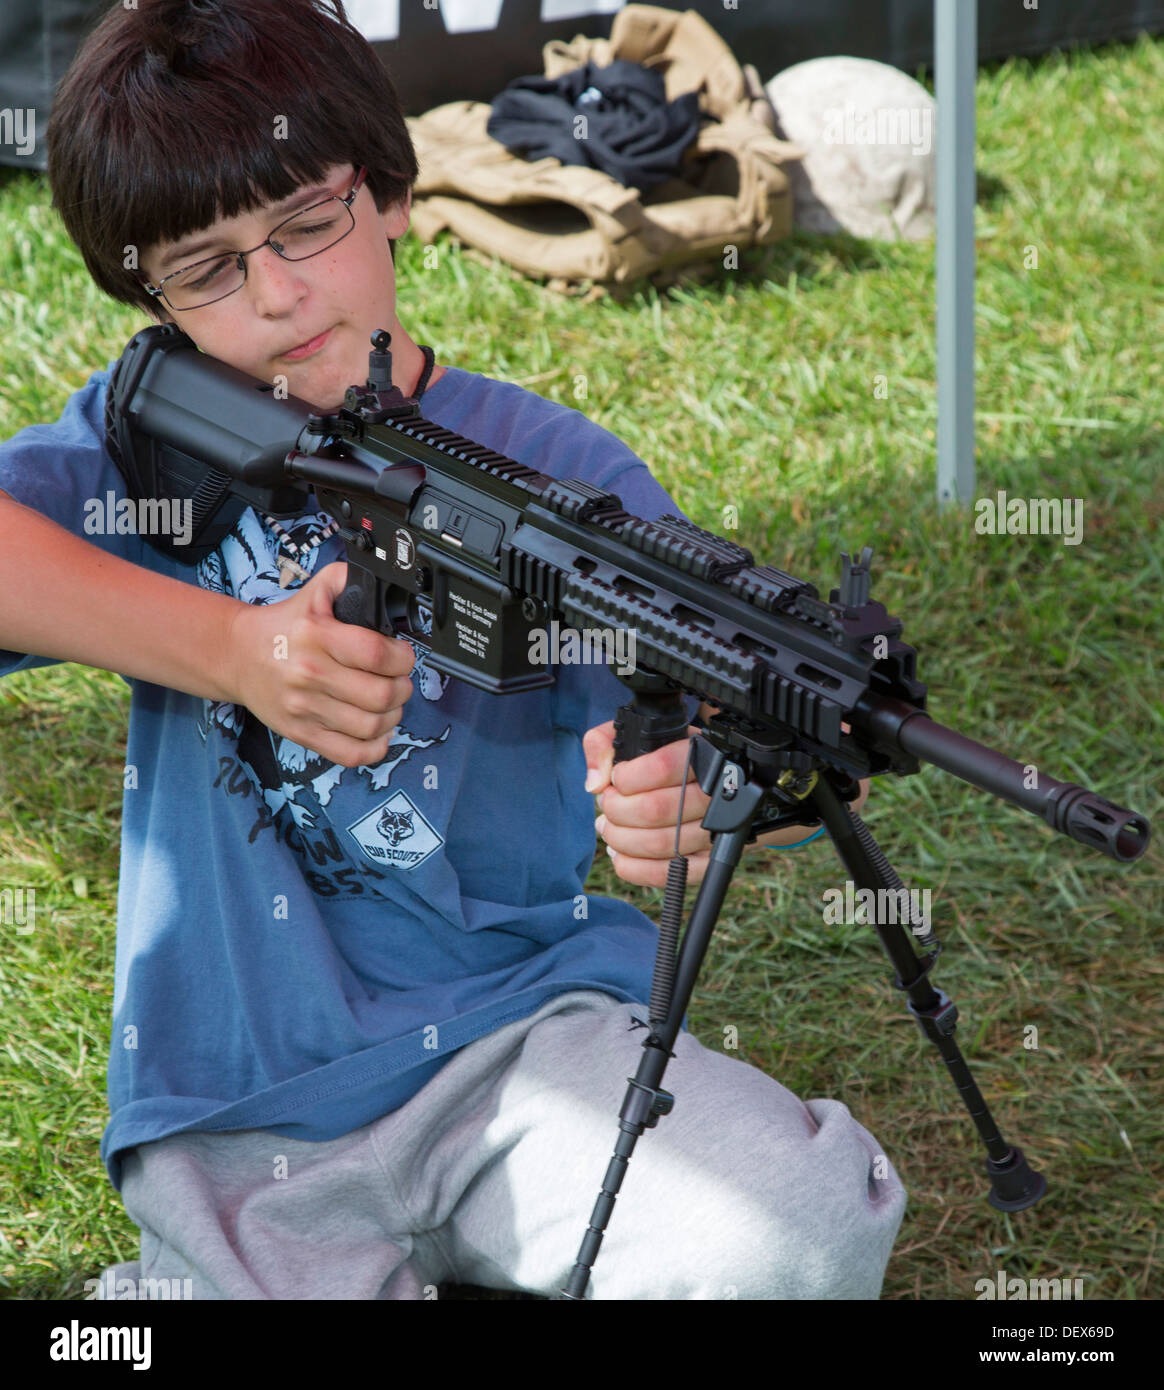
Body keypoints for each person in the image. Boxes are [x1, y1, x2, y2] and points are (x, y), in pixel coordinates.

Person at [0, 0, 905, 1300]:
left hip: (526, 1045)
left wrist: (705, 800)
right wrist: (235, 649)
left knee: (799, 1227)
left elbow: (767, 722)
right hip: (247, 1101)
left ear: (395, 195)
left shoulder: (560, 471)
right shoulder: (145, 446)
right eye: (203, 268)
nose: (274, 291)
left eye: (308, 221)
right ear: (143, 289)